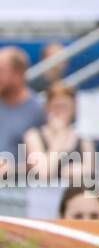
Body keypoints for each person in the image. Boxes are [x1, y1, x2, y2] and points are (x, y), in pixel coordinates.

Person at [22, 82, 94, 182]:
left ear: (74, 109)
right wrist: (59, 138)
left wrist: (77, 171)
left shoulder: (84, 139)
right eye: (56, 106)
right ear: (46, 108)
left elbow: (90, 173)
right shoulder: (33, 135)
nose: (60, 112)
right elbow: (42, 174)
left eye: (65, 107)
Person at [0, 46, 45, 178]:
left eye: (1, 70)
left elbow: (42, 160)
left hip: (18, 187)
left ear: (18, 73)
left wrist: (11, 169)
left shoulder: (38, 110)